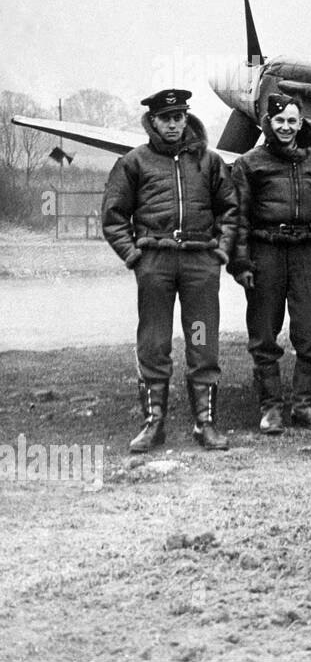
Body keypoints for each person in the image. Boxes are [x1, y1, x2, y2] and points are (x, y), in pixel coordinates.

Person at [101, 88, 238, 452]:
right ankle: (153, 423)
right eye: (166, 119)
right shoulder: (134, 162)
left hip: (199, 264)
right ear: (154, 121)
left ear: (186, 118)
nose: (174, 124)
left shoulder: (208, 161)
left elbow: (230, 210)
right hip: (156, 264)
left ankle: (205, 423)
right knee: (154, 342)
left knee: (200, 338)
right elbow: (113, 216)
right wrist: (134, 256)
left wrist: (221, 251)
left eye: (179, 117)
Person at [228, 93, 311, 435]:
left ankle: (304, 406)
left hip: (304, 253)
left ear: (300, 123)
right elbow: (238, 217)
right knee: (263, 333)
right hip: (265, 254)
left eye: (293, 121)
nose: (287, 127)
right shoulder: (249, 164)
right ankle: (271, 408)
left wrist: (310, 233)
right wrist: (241, 262)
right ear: (268, 124)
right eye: (280, 121)